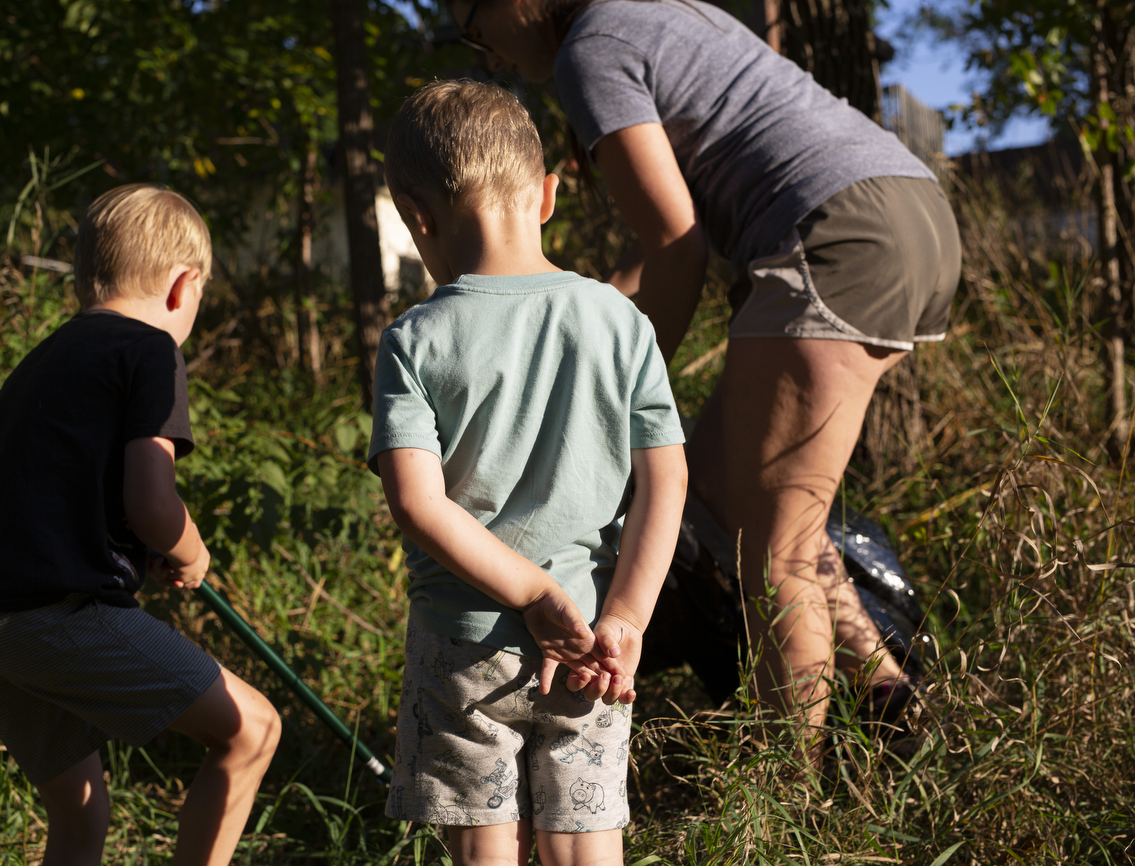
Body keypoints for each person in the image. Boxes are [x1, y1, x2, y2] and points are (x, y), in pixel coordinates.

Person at [450, 0, 961, 763]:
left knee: (772, 549)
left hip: (835, 231)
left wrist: (605, 403)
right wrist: (581, 333)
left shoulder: (589, 50)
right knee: (730, 490)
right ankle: (889, 704)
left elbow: (678, 249)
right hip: (904, 211)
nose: (480, 49)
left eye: (471, 21)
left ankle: (785, 802)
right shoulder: (645, 13)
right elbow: (657, 248)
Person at [370, 80, 688, 865]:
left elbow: (417, 504)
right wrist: (624, 621)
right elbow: (666, 481)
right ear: (547, 196)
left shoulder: (415, 338)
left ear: (417, 217)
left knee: (484, 853)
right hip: (594, 645)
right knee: (587, 847)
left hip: (464, 644)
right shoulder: (621, 319)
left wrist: (529, 596)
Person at [0, 184, 281, 866]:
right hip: (51, 614)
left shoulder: (38, 365)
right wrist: (190, 547)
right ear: (184, 286)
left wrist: (126, 541)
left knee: (81, 812)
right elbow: (153, 501)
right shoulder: (149, 350)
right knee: (253, 732)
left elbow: (49, 493)